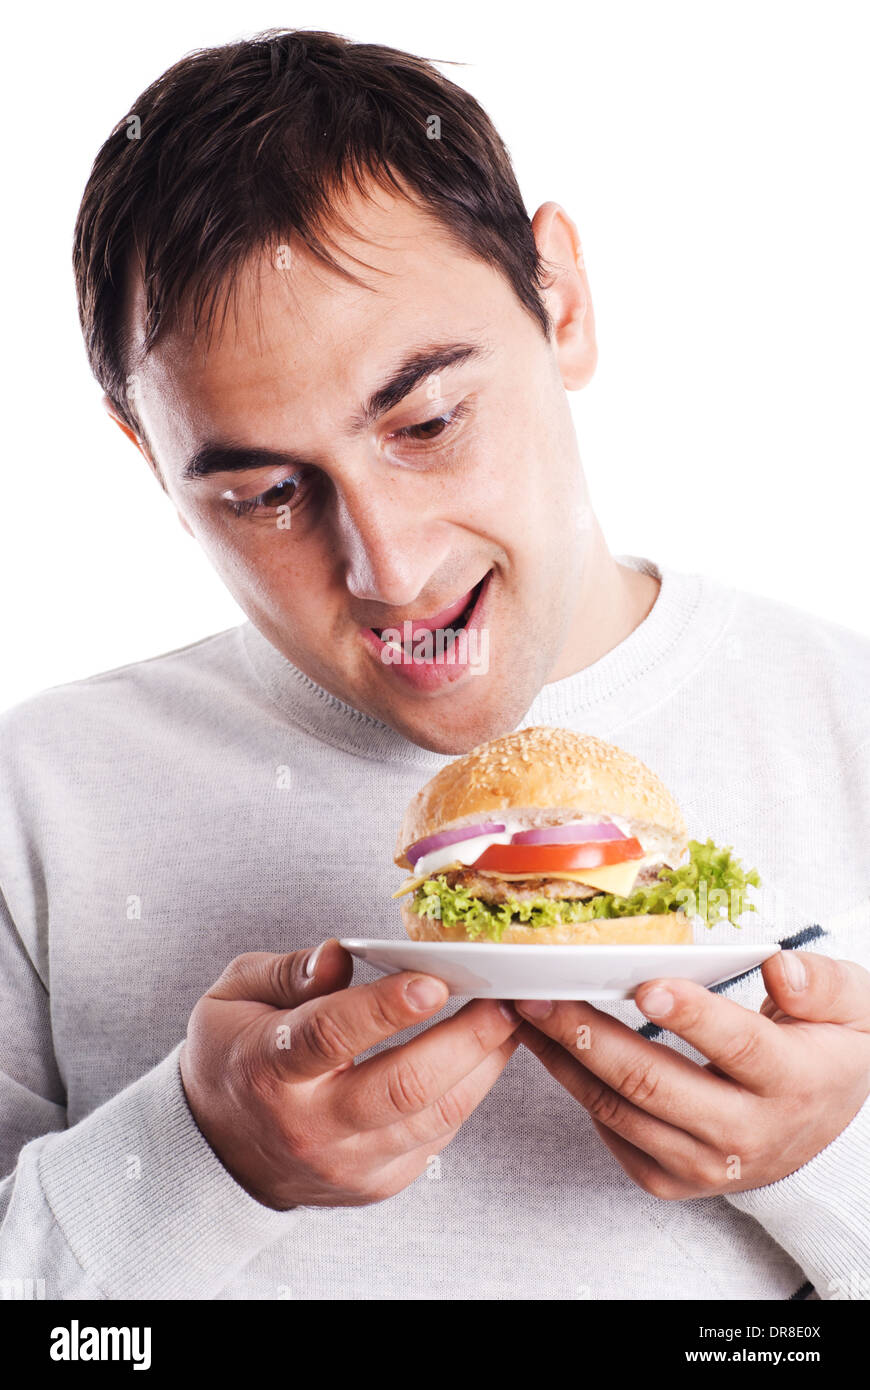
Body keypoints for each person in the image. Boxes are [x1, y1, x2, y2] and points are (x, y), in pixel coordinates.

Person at [1, 28, 868, 1302]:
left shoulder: (845, 726)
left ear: (559, 302)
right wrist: (198, 1158)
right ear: (151, 461)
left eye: (426, 421)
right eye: (265, 492)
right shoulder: (40, 796)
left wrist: (832, 1163)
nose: (389, 568)